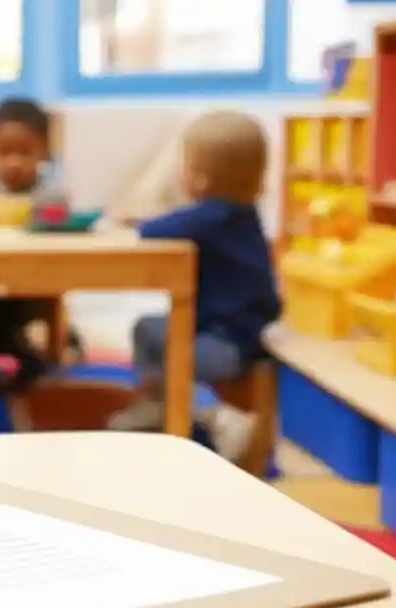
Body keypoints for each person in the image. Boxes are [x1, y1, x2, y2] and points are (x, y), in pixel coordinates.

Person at [107, 110, 282, 461]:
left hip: (226, 345)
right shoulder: (238, 214)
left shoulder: (215, 215)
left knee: (163, 344)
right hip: (237, 334)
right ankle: (162, 403)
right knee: (148, 329)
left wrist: (132, 222)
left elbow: (152, 232)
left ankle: (213, 418)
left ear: (200, 179)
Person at [0, 98, 74, 394]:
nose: (14, 162)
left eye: (26, 152)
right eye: (5, 152)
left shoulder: (51, 192)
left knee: (38, 328)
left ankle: (55, 351)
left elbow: (63, 225)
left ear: (44, 151)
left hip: (41, 284)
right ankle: (32, 362)